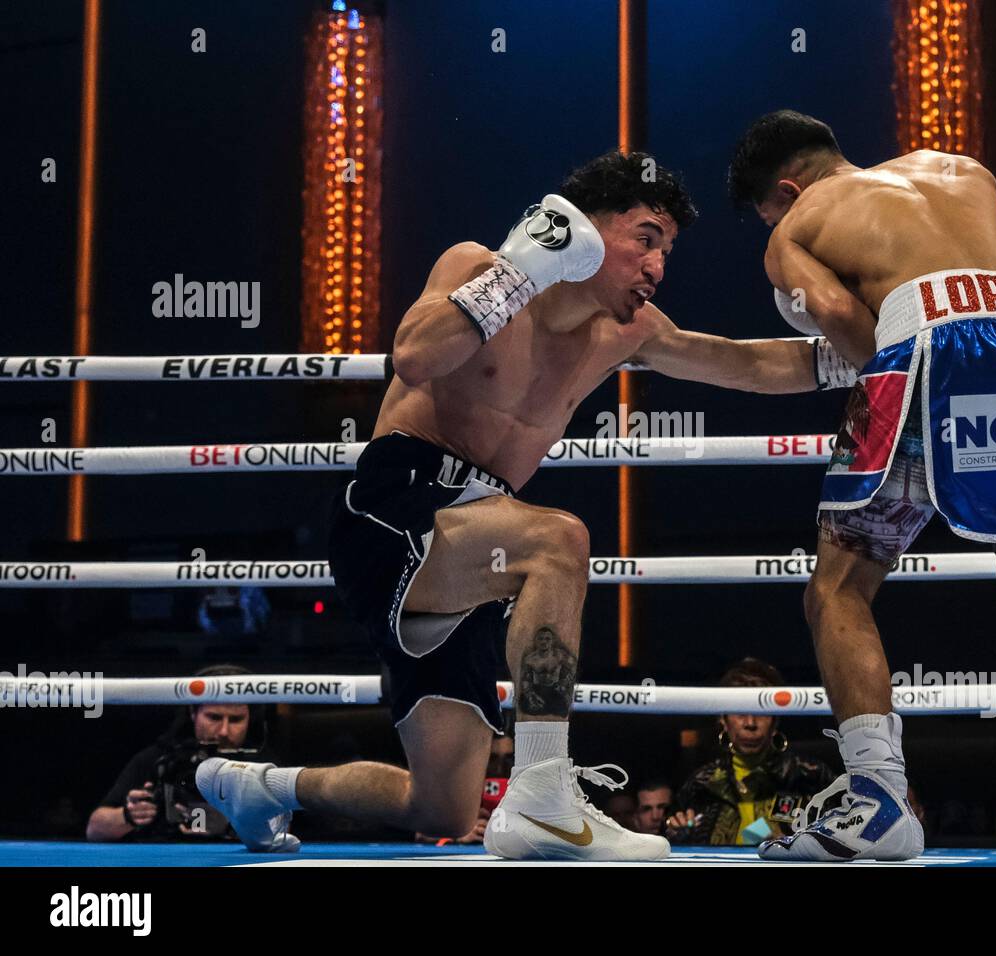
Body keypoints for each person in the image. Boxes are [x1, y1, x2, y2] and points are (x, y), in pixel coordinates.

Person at [198, 150, 860, 861]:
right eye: (645, 239)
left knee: (443, 805)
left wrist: (872, 349)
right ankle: (542, 791)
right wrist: (519, 274)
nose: (657, 267)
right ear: (586, 226)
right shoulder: (479, 267)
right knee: (559, 541)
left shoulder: (629, 331)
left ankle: (262, 786)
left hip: (480, 543)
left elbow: (745, 363)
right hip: (396, 508)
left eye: (666, 250)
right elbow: (414, 357)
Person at [726, 110, 996, 862]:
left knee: (837, 589)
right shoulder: (961, 167)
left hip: (930, 356)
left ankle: (879, 805)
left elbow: (835, 310)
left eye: (764, 211)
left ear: (785, 190)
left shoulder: (796, 228)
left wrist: (875, 373)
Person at [87, 665, 270, 842]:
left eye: (235, 720)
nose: (223, 731)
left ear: (250, 719)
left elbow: (282, 831)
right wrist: (130, 815)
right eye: (214, 717)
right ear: (193, 712)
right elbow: (94, 829)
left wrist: (230, 825)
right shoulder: (160, 758)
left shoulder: (262, 766)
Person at [665, 658, 835, 846]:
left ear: (776, 719)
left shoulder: (809, 777)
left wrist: (797, 845)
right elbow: (671, 842)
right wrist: (678, 834)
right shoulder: (701, 784)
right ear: (723, 719)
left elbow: (842, 836)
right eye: (740, 712)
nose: (750, 723)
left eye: (760, 712)